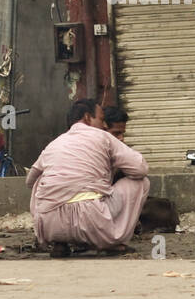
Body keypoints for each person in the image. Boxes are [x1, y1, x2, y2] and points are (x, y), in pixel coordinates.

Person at [27, 98, 150, 256]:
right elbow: (141, 168)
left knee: (40, 178)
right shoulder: (103, 137)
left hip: (49, 224)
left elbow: (30, 181)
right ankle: (113, 242)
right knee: (141, 182)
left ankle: (59, 241)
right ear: (87, 118)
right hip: (90, 220)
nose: (104, 125)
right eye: (101, 119)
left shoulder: (53, 144)